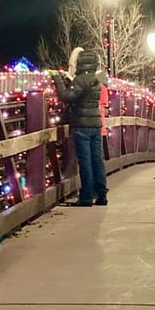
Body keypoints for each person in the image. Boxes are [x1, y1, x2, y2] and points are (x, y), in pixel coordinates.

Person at [51, 47, 109, 206]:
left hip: (81, 126)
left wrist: (58, 80)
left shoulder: (80, 80)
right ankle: (102, 195)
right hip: (96, 125)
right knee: (97, 160)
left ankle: (86, 197)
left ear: (81, 63)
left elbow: (67, 97)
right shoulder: (97, 81)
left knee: (85, 162)